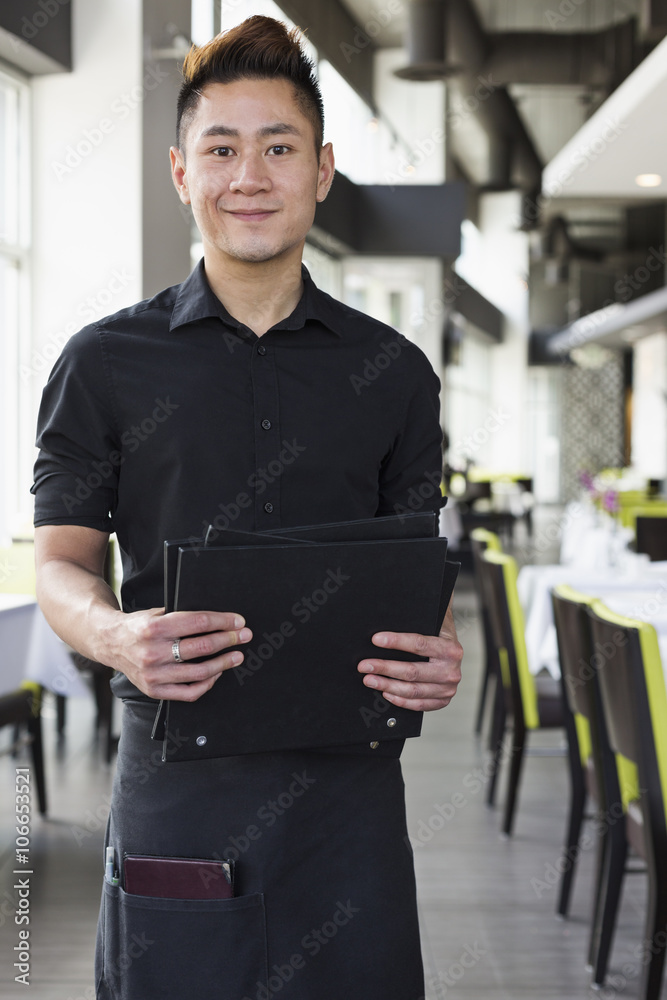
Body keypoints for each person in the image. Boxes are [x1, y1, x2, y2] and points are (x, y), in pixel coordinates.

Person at [31, 16, 463, 1000]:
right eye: (221, 149)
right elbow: (60, 565)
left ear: (322, 171)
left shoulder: (392, 373)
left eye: (279, 147)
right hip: (179, 777)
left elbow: (413, 563)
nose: (250, 176)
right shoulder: (103, 363)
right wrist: (115, 633)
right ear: (182, 173)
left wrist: (437, 645)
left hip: (347, 790)